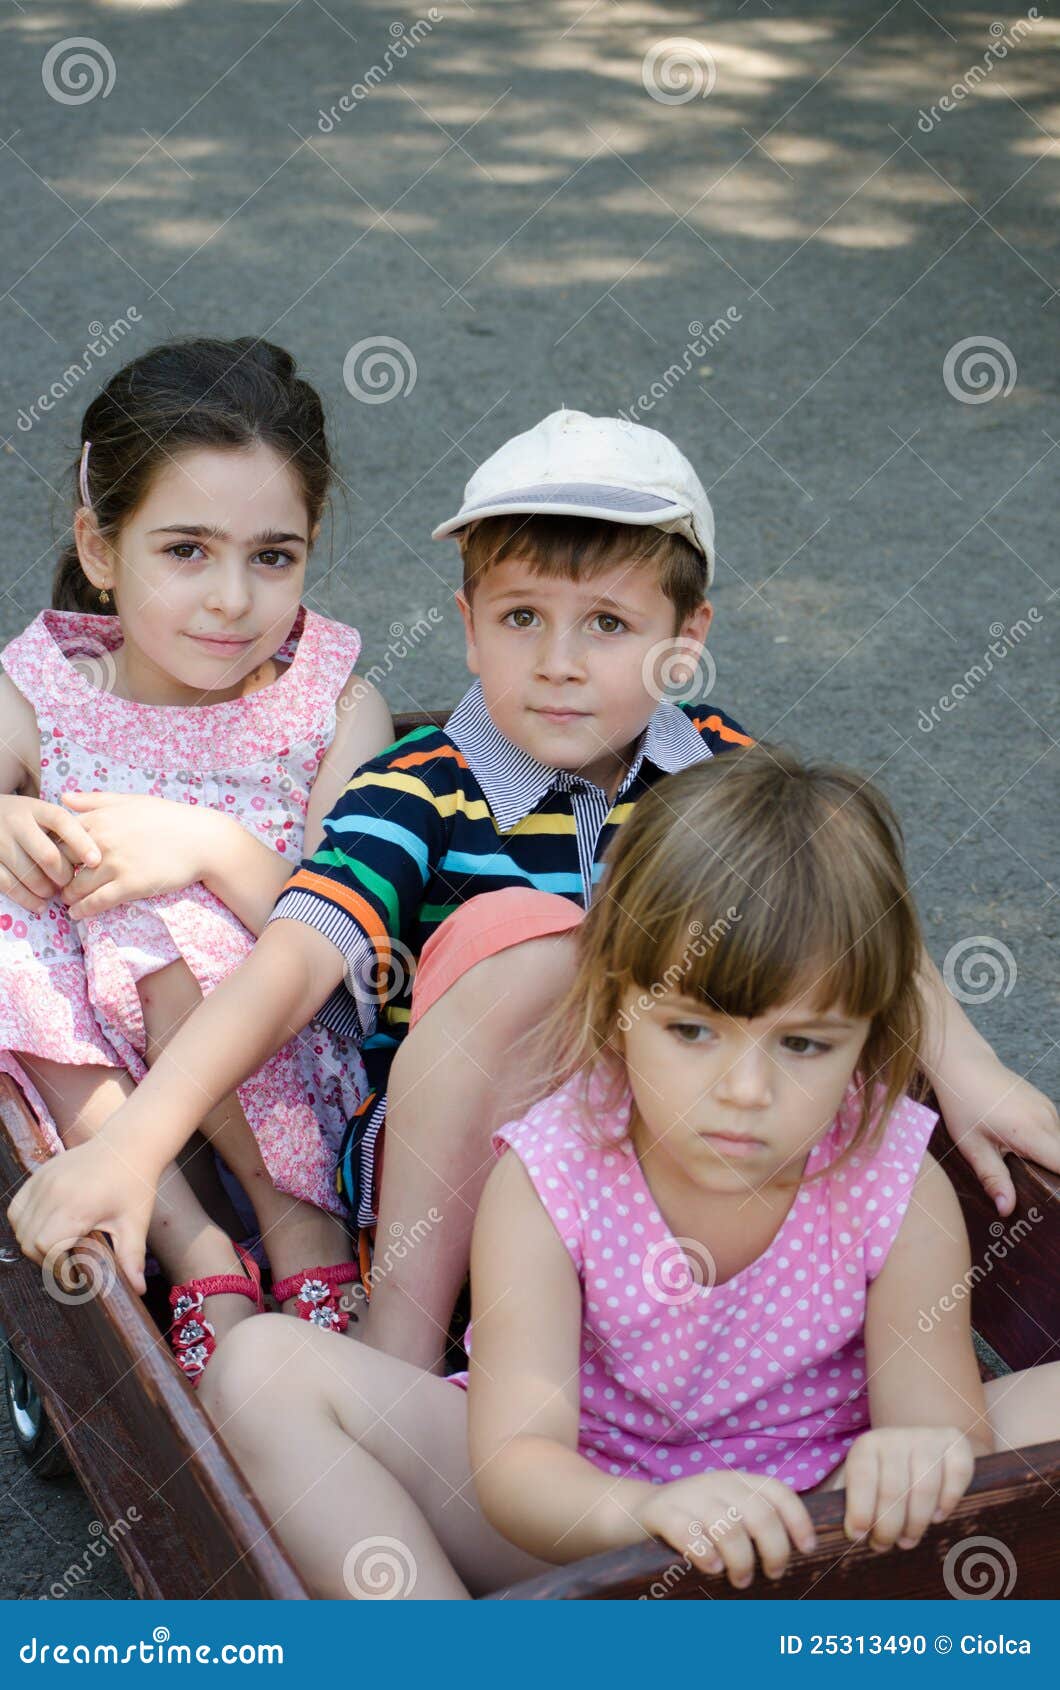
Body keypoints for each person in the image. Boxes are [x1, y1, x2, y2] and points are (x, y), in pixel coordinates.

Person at [9, 409, 1058, 1374]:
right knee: (533, 939)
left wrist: (967, 1066)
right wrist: (140, 1144)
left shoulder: (723, 774)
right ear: (469, 628)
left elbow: (857, 915)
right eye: (521, 618)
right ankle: (401, 1353)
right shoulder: (421, 788)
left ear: (684, 642)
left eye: (606, 625)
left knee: (806, 886)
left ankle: (785, 1364)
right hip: (459, 1173)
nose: (557, 663)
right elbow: (292, 960)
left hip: (700, 1136)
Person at [199, 748, 1060, 1598]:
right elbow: (519, 1466)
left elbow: (944, 1425)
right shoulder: (551, 1176)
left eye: (803, 1044)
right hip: (591, 1532)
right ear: (618, 1012)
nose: (746, 1091)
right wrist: (648, 1513)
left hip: (821, 1529)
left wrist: (920, 1452)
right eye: (692, 1031)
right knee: (260, 1372)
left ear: (869, 1042)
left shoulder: (895, 1180)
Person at [0, 336, 392, 1379]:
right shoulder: (38, 693)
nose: (232, 599)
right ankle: (197, 1251)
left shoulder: (333, 707)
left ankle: (296, 1224)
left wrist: (210, 849)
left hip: (289, 1055)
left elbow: (360, 939)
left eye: (272, 555)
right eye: (186, 550)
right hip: (90, 1066)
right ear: (99, 547)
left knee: (152, 902)